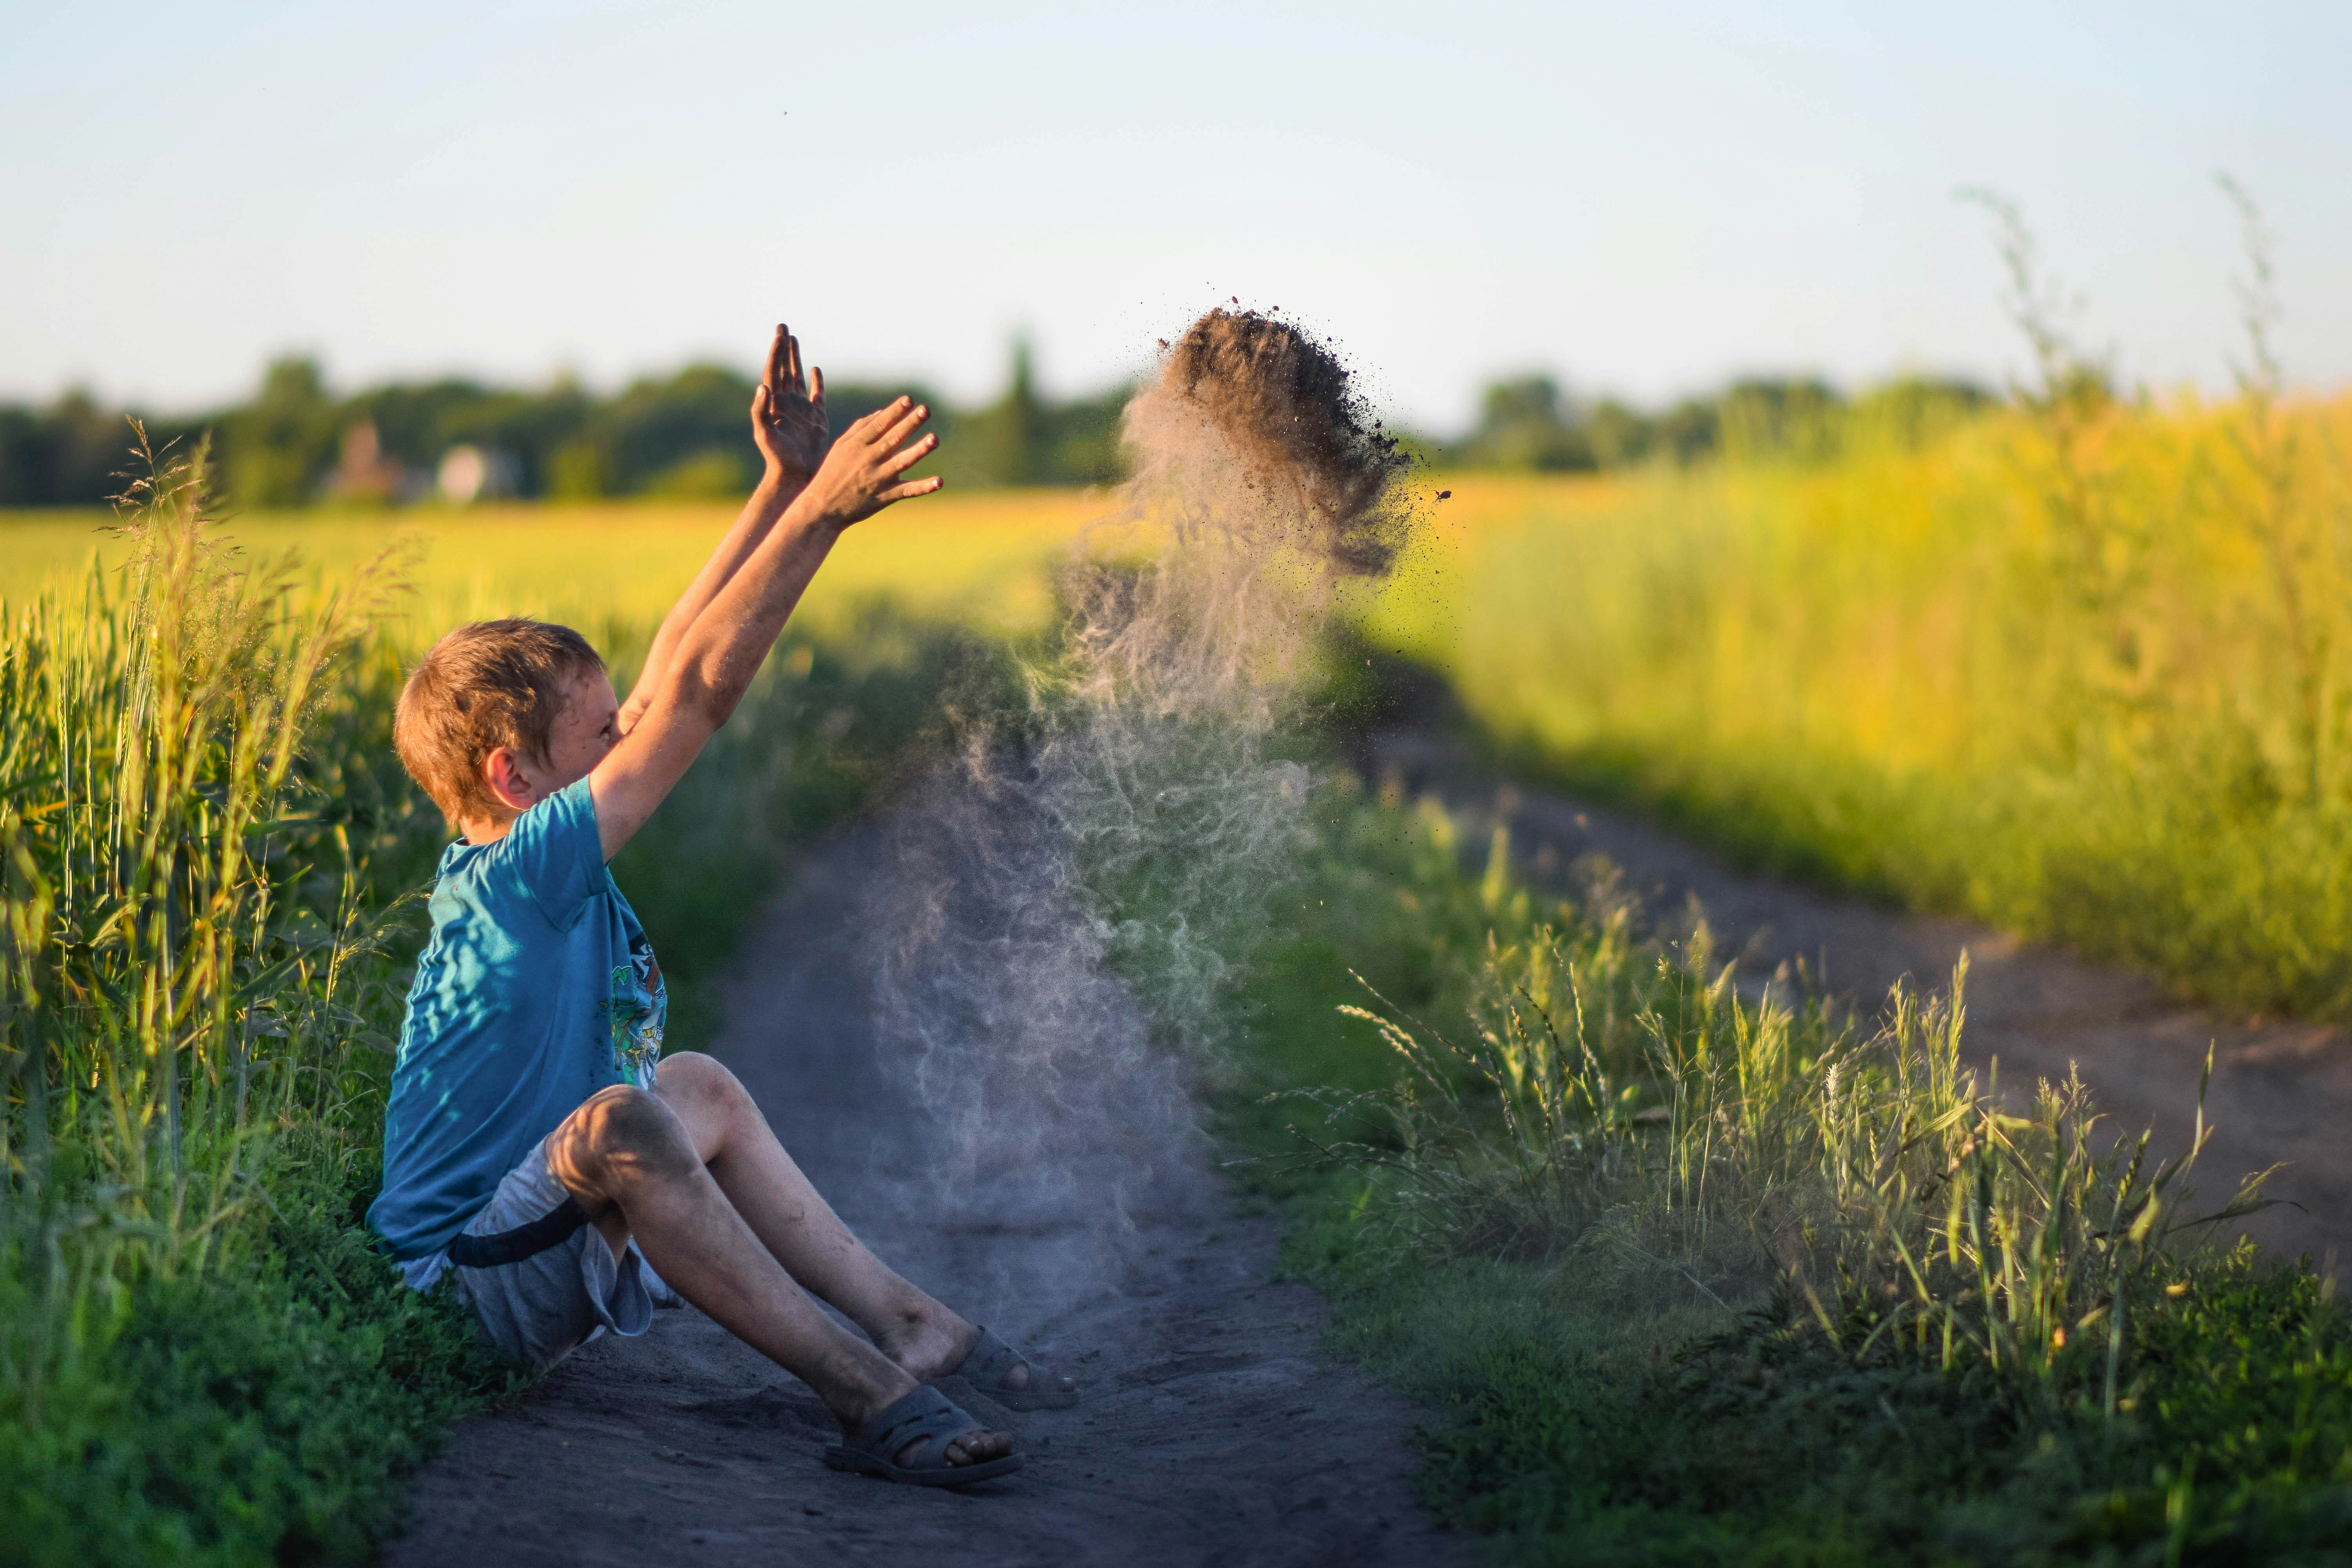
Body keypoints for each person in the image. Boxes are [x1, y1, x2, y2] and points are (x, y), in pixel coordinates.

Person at [368, 325, 1074, 1487]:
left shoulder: (532, 846)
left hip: (522, 1242)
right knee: (624, 1125)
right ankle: (866, 1393)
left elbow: (662, 679)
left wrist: (780, 488)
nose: (627, 742)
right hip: (460, 1291)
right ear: (515, 776)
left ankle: (911, 1324)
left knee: (691, 1085)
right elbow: (699, 690)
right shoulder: (521, 875)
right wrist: (825, 521)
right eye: (599, 739)